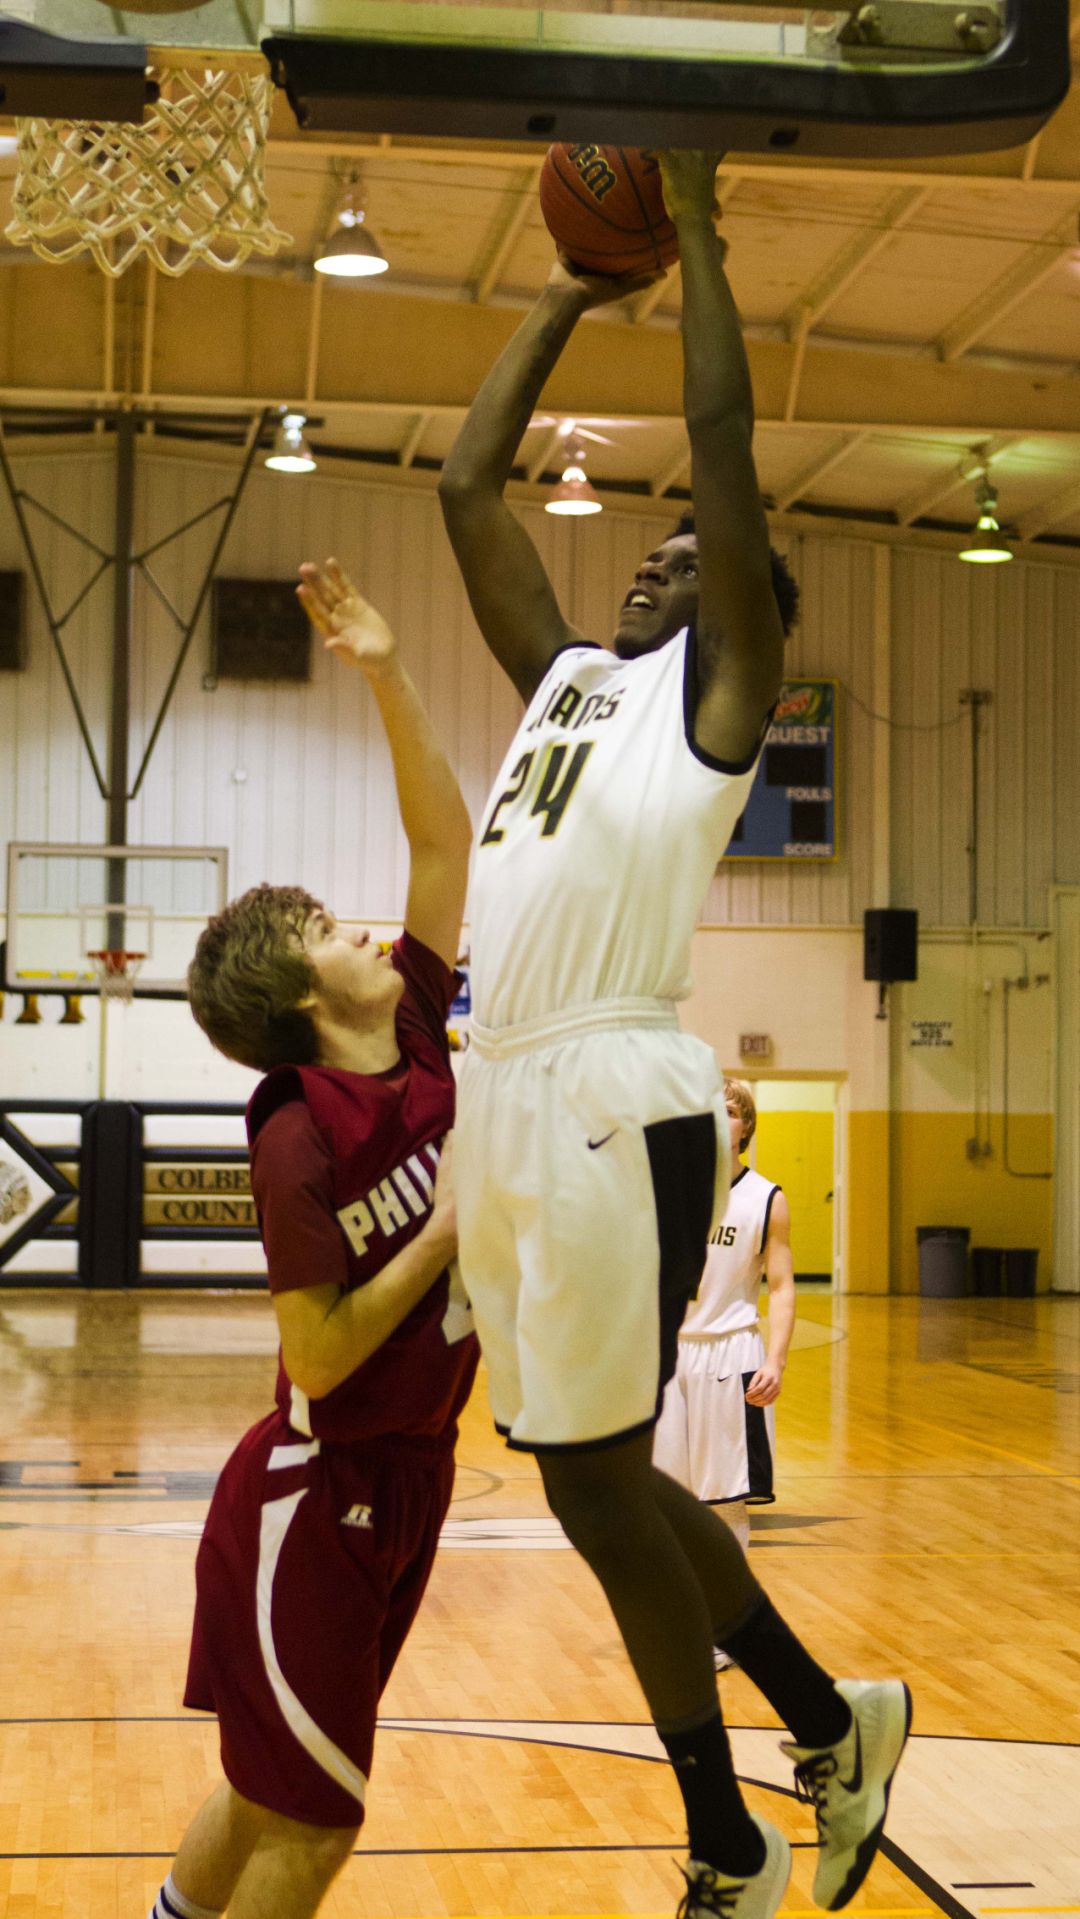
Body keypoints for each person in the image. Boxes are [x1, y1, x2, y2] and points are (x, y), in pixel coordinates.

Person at [438, 150, 910, 1919]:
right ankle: (816, 1725)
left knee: (590, 1484)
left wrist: (696, 240)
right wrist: (571, 285)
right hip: (516, 1091)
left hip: (611, 1087)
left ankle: (732, 1823)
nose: (662, 553)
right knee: (597, 1481)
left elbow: (723, 443)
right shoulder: (569, 681)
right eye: (651, 543)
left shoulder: (713, 708)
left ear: (748, 622)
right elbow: (466, 480)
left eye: (696, 553)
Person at [150, 561, 478, 1919]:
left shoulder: (408, 1026)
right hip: (315, 1486)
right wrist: (451, 1227)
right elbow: (323, 1356)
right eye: (328, 928)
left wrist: (388, 670)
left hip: (414, 1469)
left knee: (274, 1784)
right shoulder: (297, 1134)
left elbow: (444, 845)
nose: (363, 924)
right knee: (315, 1818)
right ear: (298, 990)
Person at [654, 1078, 795, 1671]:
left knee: (726, 1503)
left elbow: (783, 1285)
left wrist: (775, 1360)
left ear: (746, 1127)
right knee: (664, 1502)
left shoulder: (766, 1197)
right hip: (669, 1358)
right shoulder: (668, 1188)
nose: (718, 1116)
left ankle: (726, 1626)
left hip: (730, 1356)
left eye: (730, 1109)